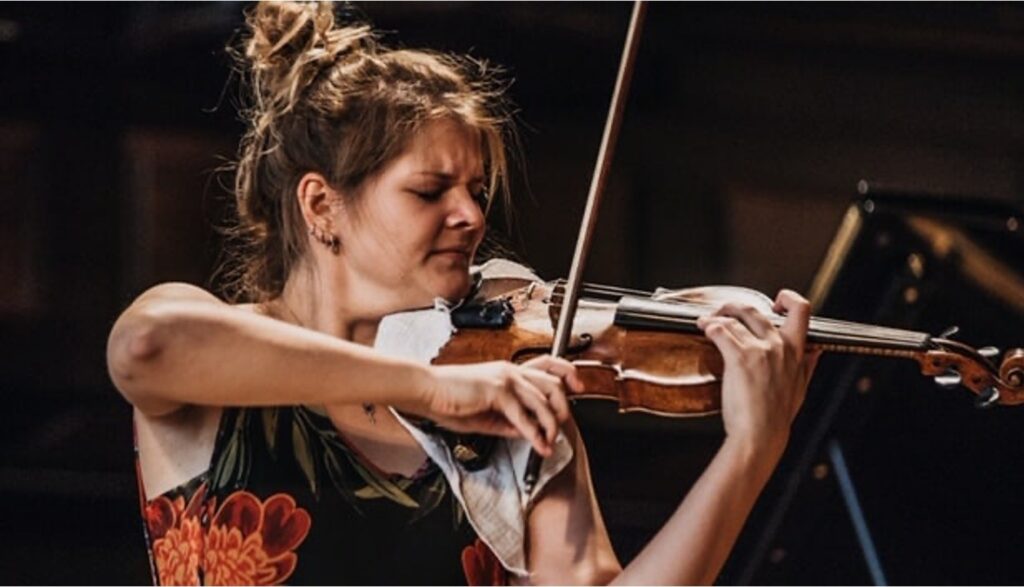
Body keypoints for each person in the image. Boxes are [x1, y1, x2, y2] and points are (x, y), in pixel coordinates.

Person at [106, 2, 819, 585]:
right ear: (321, 206)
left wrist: (751, 449)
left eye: (477, 191)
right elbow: (146, 345)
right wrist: (436, 390)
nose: (472, 216)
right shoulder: (221, 359)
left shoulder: (506, 399)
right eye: (429, 190)